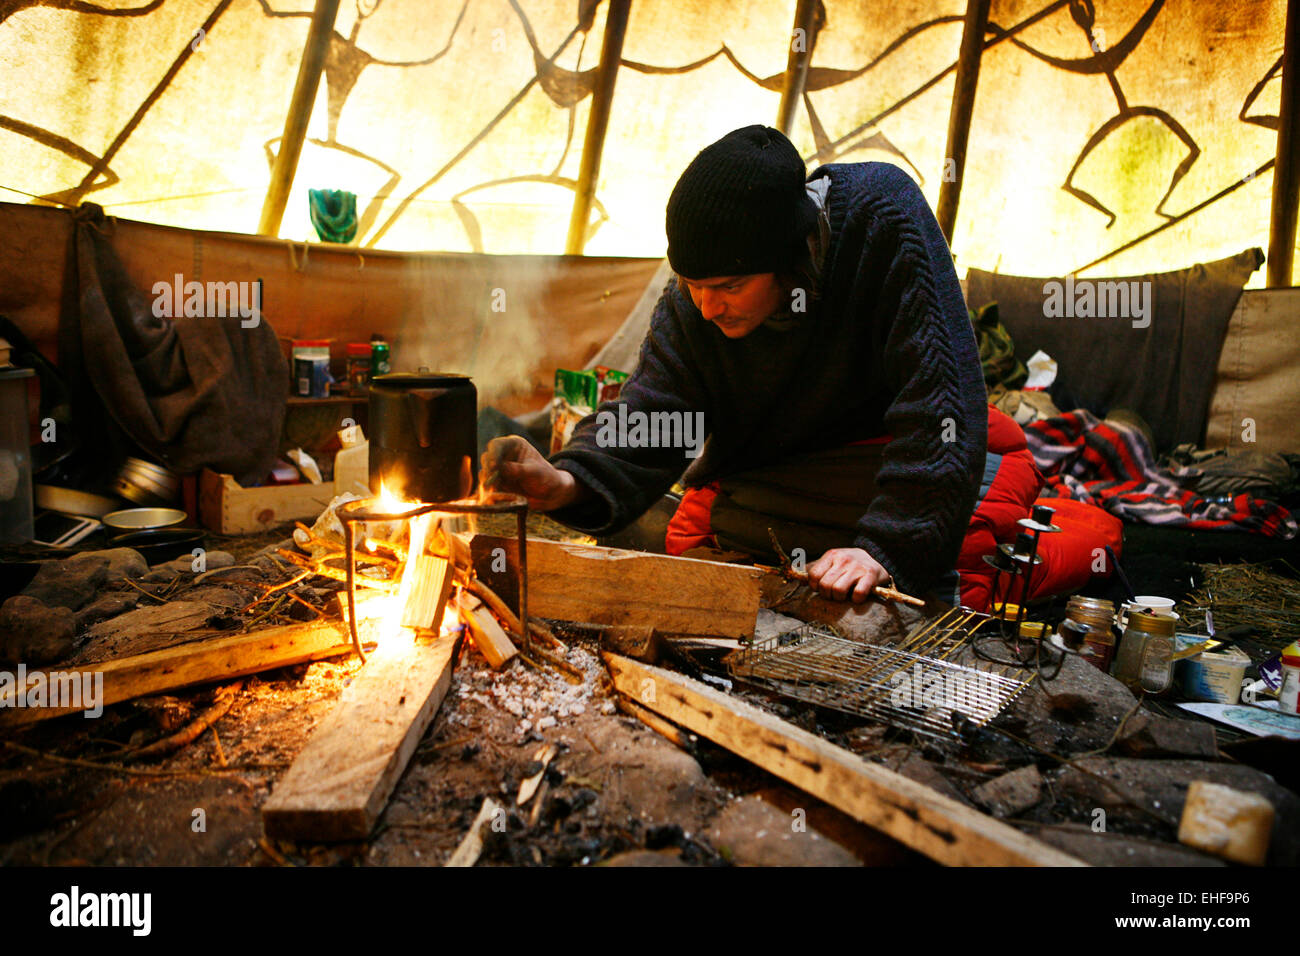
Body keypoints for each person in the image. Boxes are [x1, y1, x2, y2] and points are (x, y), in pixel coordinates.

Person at [482, 125, 987, 603]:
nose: (707, 307)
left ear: (792, 259)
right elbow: (659, 414)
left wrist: (886, 549)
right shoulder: (695, 300)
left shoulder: (883, 222)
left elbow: (944, 408)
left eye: (729, 287)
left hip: (875, 490)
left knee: (908, 650)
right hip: (768, 502)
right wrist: (568, 481)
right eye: (692, 285)